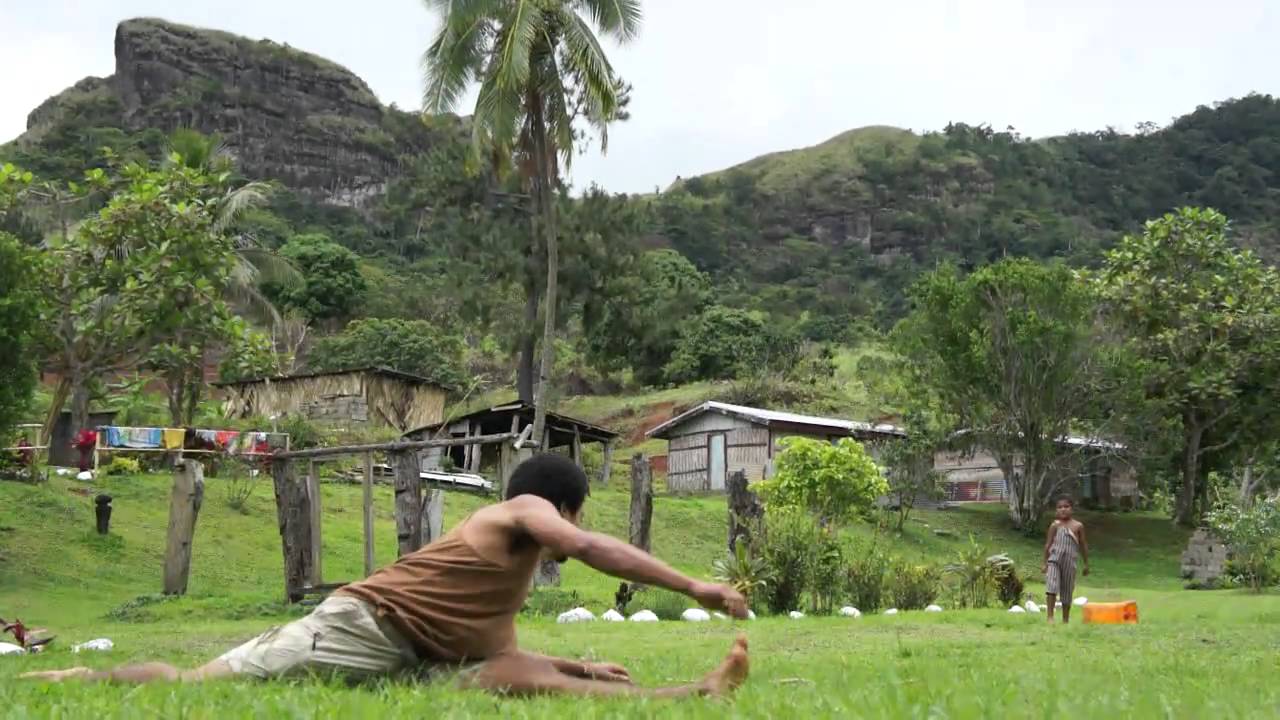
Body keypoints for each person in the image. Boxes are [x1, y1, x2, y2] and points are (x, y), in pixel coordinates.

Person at [23, 454, 752, 698]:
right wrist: (697, 587)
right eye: (573, 516)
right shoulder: (523, 509)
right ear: (559, 503)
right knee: (199, 683)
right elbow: (593, 547)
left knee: (503, 678)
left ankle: (694, 692)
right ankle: (81, 682)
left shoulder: (516, 569)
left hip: (408, 653)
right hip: (358, 627)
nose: (568, 533)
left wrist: (576, 662)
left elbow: (492, 649)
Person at [1041, 496, 1089, 623]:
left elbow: (1083, 545)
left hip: (1070, 562)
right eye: (1060, 507)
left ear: (1072, 509)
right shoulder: (1055, 526)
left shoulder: (1078, 526)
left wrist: (1086, 564)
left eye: (1066, 506)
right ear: (1056, 510)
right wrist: (1044, 563)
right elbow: (1048, 544)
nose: (1063, 509)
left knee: (1067, 590)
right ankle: (1050, 617)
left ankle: (1065, 619)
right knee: (1051, 586)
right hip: (1054, 560)